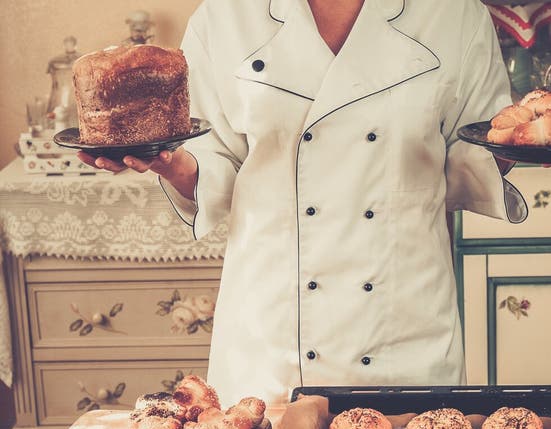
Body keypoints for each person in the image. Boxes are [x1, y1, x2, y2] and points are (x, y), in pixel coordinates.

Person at [79, 0, 527, 407]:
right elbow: (211, 155)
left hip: (403, 325)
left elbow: (479, 145)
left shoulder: (455, 15)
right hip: (273, 333)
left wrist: (522, 145)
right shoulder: (225, 17)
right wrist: (169, 162)